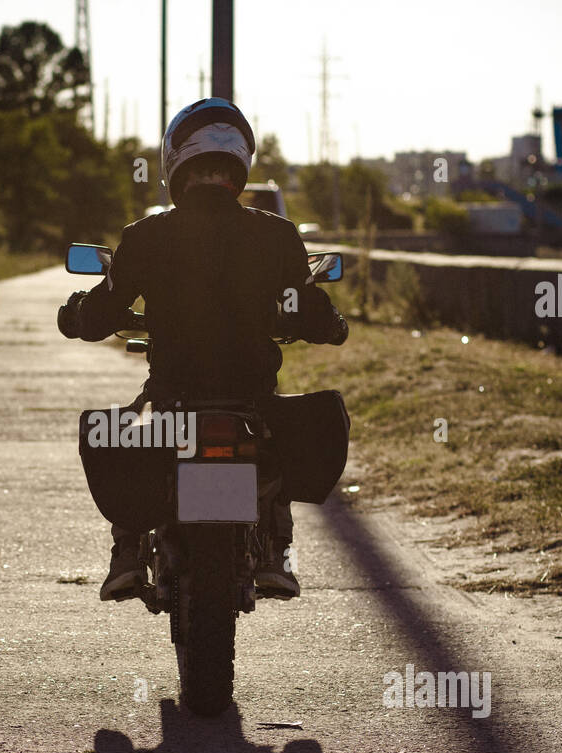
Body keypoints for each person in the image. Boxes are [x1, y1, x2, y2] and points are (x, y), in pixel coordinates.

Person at [58, 97, 348, 602]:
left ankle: (127, 551)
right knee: (282, 443)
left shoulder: (146, 236)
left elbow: (103, 310)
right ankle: (277, 550)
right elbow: (308, 308)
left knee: (120, 432)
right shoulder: (276, 235)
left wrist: (77, 312)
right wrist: (331, 324)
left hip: (175, 397)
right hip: (252, 401)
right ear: (239, 164)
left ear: (176, 161)